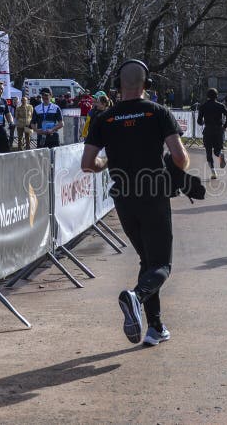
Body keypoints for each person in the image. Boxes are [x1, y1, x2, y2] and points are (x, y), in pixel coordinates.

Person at [81, 59, 189, 347]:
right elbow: (180, 158)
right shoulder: (158, 113)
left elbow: (88, 164)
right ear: (147, 85)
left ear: (118, 86)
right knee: (161, 264)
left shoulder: (105, 119)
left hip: (124, 200)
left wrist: (108, 162)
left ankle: (155, 328)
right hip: (153, 195)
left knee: (147, 261)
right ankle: (136, 297)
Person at [197, 88, 227, 179]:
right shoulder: (220, 105)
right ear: (217, 96)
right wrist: (225, 126)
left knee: (208, 152)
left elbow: (199, 121)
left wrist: (203, 122)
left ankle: (213, 172)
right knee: (217, 150)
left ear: (207, 96)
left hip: (208, 130)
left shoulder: (203, 106)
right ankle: (220, 154)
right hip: (219, 130)